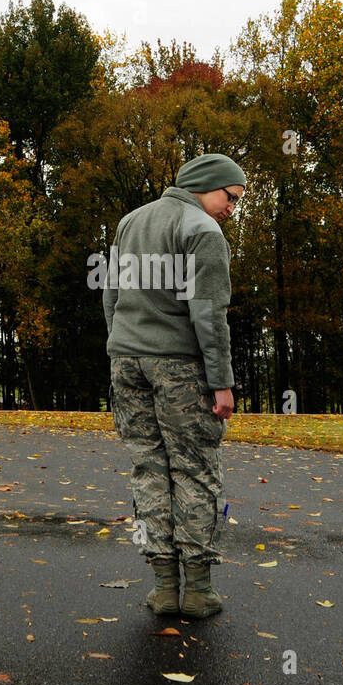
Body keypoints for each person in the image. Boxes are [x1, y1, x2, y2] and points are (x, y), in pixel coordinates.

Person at [104, 153, 244, 619]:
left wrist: (122, 344)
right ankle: (198, 590)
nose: (231, 208)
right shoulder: (202, 230)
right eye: (230, 197)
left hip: (127, 363)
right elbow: (209, 313)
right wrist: (221, 382)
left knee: (148, 469)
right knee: (195, 471)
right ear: (207, 185)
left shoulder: (130, 223)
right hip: (180, 368)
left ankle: (163, 586)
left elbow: (112, 295)